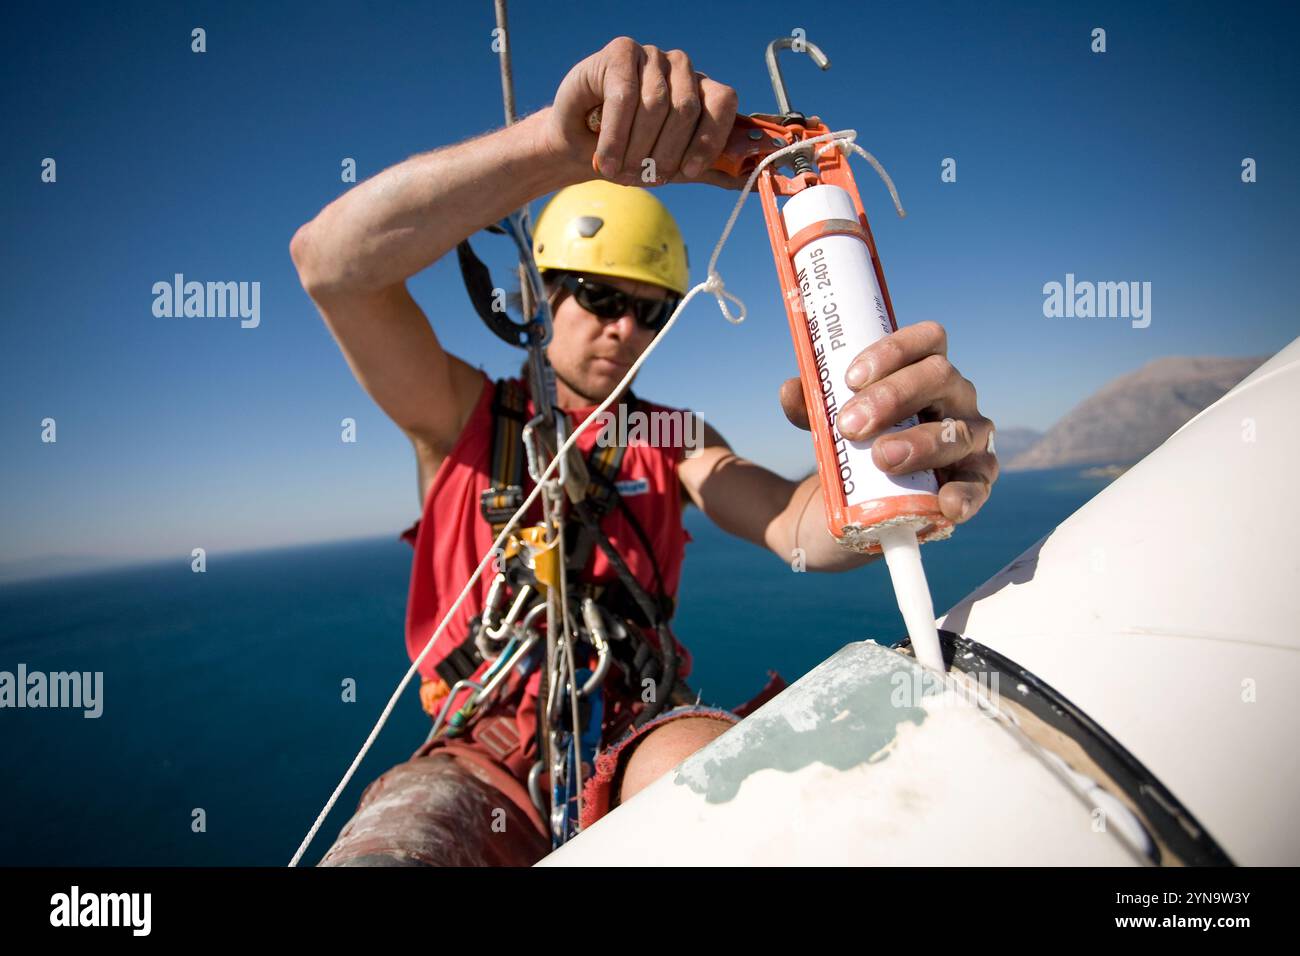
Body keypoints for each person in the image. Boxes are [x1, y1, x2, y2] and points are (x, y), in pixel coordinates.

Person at [289, 37, 999, 866]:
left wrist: (882, 476)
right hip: (484, 754)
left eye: (650, 310)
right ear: (542, 293)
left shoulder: (669, 435)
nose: (624, 328)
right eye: (597, 297)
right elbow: (333, 266)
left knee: (715, 790)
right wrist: (564, 145)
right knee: (400, 848)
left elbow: (787, 520)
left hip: (638, 725)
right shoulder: (465, 418)